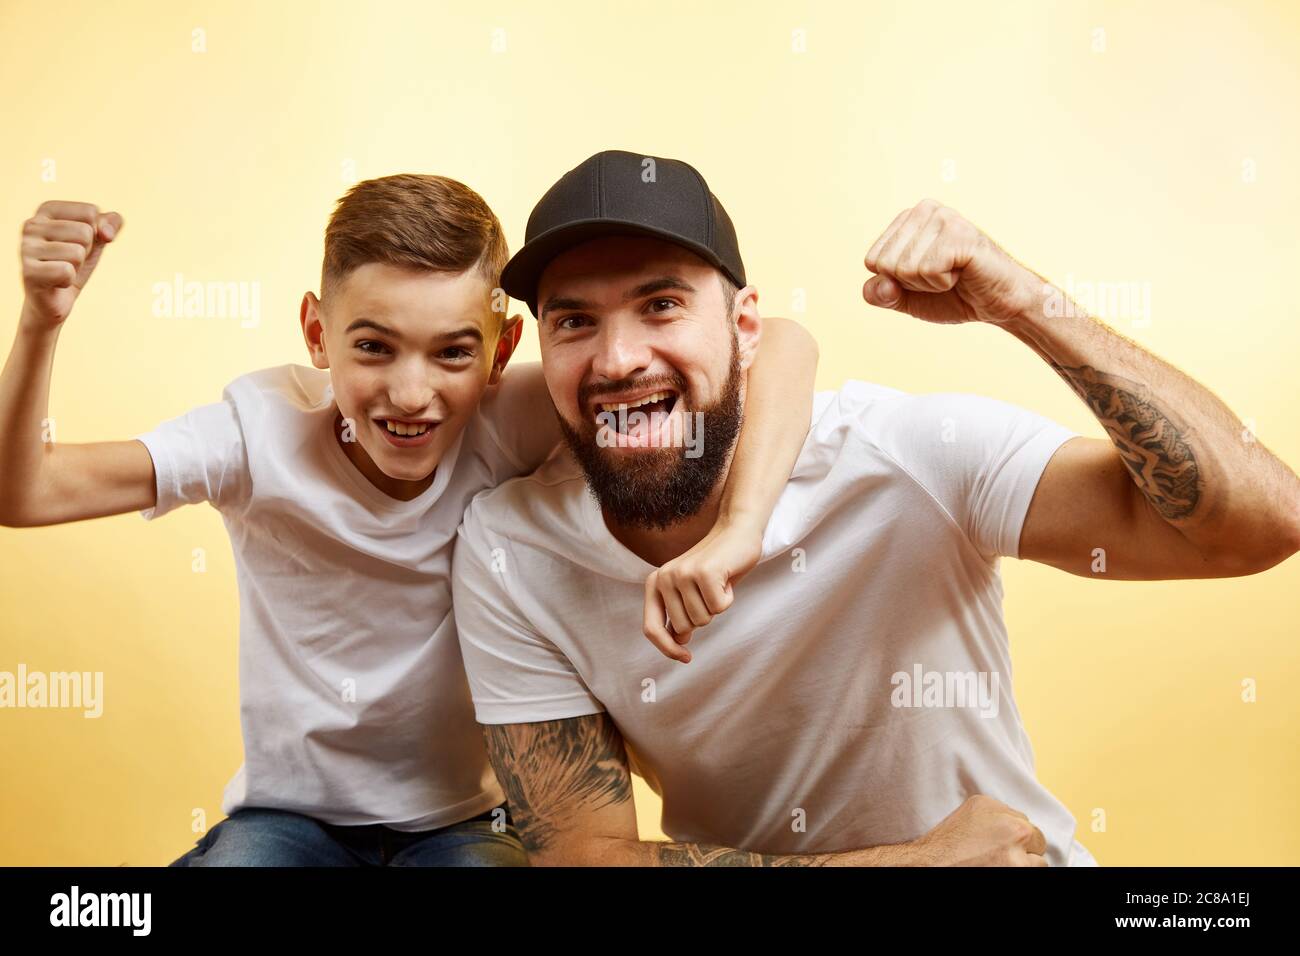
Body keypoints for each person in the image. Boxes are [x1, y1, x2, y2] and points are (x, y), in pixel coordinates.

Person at [451, 150, 1300, 866]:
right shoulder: (510, 552)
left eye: (661, 304)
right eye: (574, 321)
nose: (619, 357)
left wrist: (1021, 301)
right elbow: (588, 867)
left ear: (747, 327)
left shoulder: (906, 453)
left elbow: (1262, 524)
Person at [0, 173, 819, 865]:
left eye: (453, 352)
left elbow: (778, 340)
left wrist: (739, 527)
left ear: (499, 357)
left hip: (464, 825)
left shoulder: (516, 415)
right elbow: (26, 491)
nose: (412, 393)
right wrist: (41, 320)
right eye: (374, 347)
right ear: (319, 335)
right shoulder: (255, 434)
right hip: (289, 821)